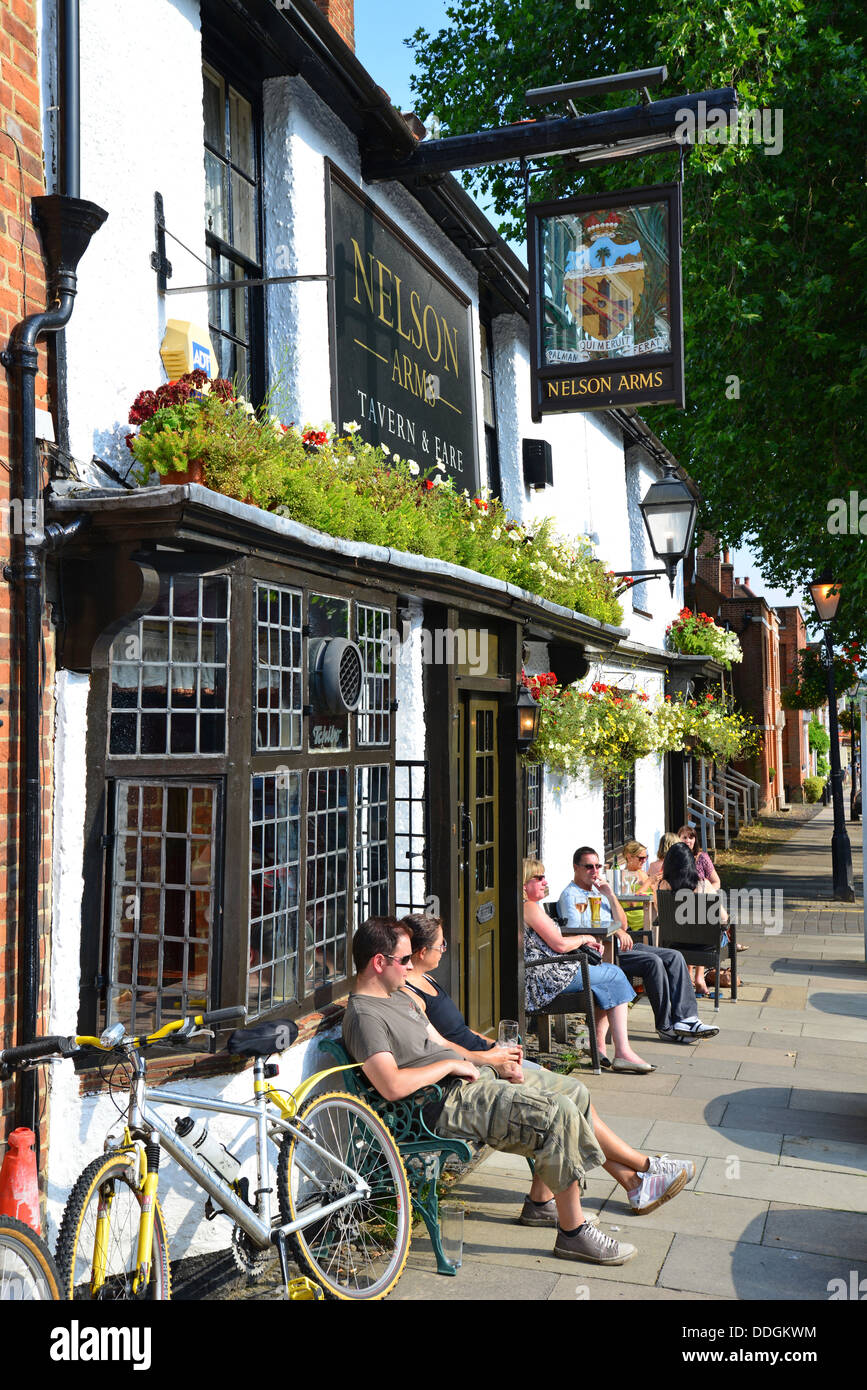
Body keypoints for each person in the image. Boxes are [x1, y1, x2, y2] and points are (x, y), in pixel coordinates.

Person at [343, 916, 693, 1266]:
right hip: (440, 1104)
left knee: (573, 1091)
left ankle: (544, 1203)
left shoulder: (398, 998)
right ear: (379, 962)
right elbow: (391, 1086)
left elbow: (441, 1043)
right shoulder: (365, 1015)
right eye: (404, 961)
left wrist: (493, 1062)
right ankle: (574, 1233)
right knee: (557, 1112)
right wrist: (450, 1067)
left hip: (469, 1080)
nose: (408, 969)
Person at [557, 847, 719, 1042]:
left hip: (619, 945)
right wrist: (615, 930)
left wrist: (610, 895)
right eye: (589, 867)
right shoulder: (571, 895)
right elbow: (578, 930)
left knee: (674, 956)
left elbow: (624, 923)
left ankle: (687, 1019)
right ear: (576, 867)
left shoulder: (598, 890)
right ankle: (666, 1026)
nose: (595, 871)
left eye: (598, 866)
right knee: (653, 962)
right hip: (602, 953)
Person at [523, 859, 655, 1073]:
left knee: (607, 979)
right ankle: (621, 1052)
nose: (544, 881)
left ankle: (601, 1048)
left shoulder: (531, 907)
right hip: (543, 977)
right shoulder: (529, 907)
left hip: (548, 970)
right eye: (538, 878)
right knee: (614, 975)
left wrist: (583, 940)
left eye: (544, 876)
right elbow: (559, 943)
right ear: (523, 885)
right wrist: (585, 937)